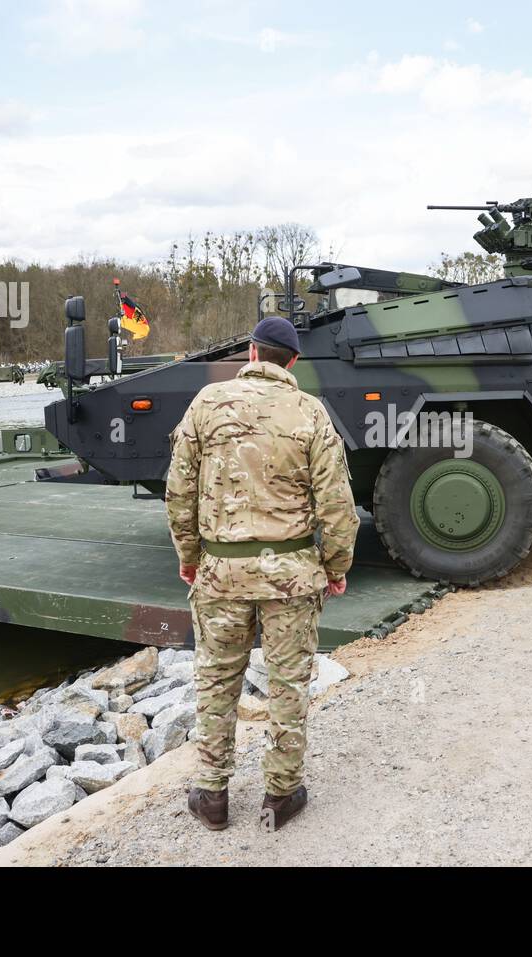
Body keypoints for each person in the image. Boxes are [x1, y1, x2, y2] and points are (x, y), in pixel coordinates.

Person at [165, 316, 359, 832]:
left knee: (216, 678)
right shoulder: (311, 413)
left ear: (251, 353)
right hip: (292, 576)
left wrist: (189, 555)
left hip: (220, 572)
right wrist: (336, 566)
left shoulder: (205, 405)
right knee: (287, 684)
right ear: (292, 362)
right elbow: (338, 505)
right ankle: (281, 794)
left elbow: (179, 492)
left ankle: (211, 795)